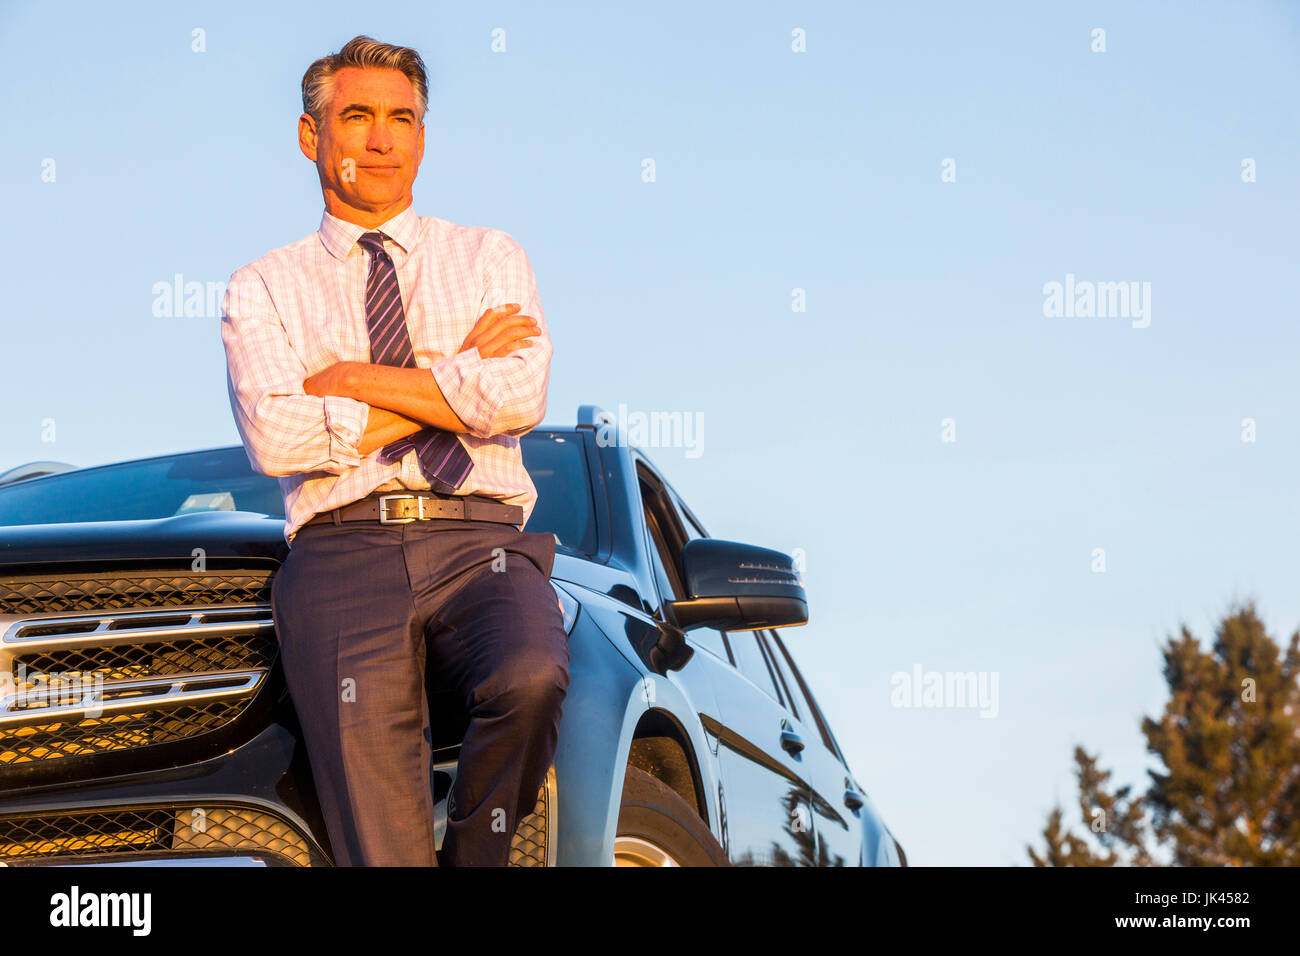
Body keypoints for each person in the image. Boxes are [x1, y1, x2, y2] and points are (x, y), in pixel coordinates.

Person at [219, 34, 569, 866]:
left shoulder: (488, 256)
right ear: (313, 137)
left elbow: (518, 396)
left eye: (402, 119)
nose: (381, 139)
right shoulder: (262, 285)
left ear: (422, 135)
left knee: (531, 674)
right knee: (379, 846)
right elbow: (278, 437)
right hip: (342, 557)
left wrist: (348, 380)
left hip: (480, 539)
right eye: (358, 117)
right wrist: (452, 383)